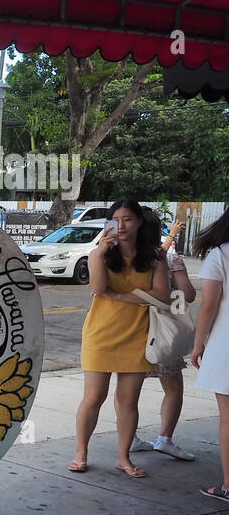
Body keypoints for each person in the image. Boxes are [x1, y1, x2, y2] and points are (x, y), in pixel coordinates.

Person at [71, 199, 170, 478]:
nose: (122, 225)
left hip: (138, 335)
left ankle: (123, 457)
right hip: (100, 334)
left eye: (128, 219)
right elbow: (99, 288)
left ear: (139, 221)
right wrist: (101, 251)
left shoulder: (154, 257)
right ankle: (81, 452)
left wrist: (119, 297)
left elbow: (162, 296)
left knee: (129, 401)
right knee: (94, 396)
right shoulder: (98, 254)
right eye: (116, 219)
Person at [131, 213, 196, 461]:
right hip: (162, 334)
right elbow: (188, 295)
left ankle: (130, 437)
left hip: (132, 331)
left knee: (128, 390)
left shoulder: (125, 258)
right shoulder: (169, 257)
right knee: (173, 388)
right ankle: (165, 439)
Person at [190, 211, 229, 502]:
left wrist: (198, 343)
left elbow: (209, 306)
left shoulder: (220, 255)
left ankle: (228, 486)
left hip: (225, 347)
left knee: (228, 418)